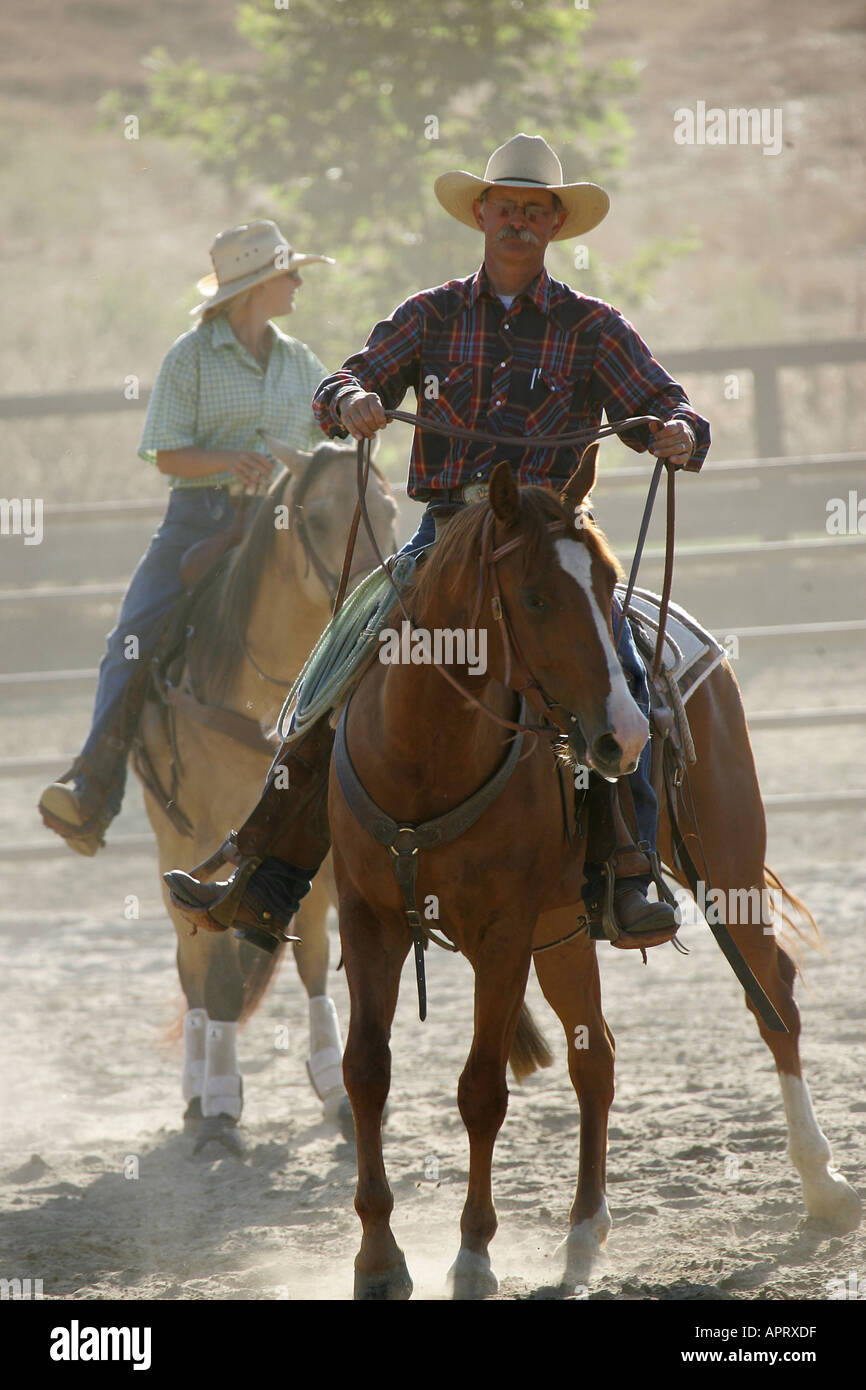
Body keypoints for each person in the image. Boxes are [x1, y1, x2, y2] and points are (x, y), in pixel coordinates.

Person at [165, 134, 709, 946]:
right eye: (506, 207)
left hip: (550, 545)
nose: (518, 221)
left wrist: (678, 432)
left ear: (555, 224)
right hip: (446, 534)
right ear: (481, 215)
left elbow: (669, 406)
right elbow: (341, 383)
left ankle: (629, 871)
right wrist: (350, 401)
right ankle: (269, 873)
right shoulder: (431, 314)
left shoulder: (593, 327)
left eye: (535, 210)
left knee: (620, 683)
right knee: (334, 672)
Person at [38, 220, 334, 855]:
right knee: (131, 640)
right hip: (199, 519)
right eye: (289, 273)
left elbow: (322, 442)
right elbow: (166, 454)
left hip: (281, 525)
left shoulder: (301, 361)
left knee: (360, 617)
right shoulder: (190, 357)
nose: (299, 282)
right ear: (257, 287)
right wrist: (231, 460)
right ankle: (93, 786)